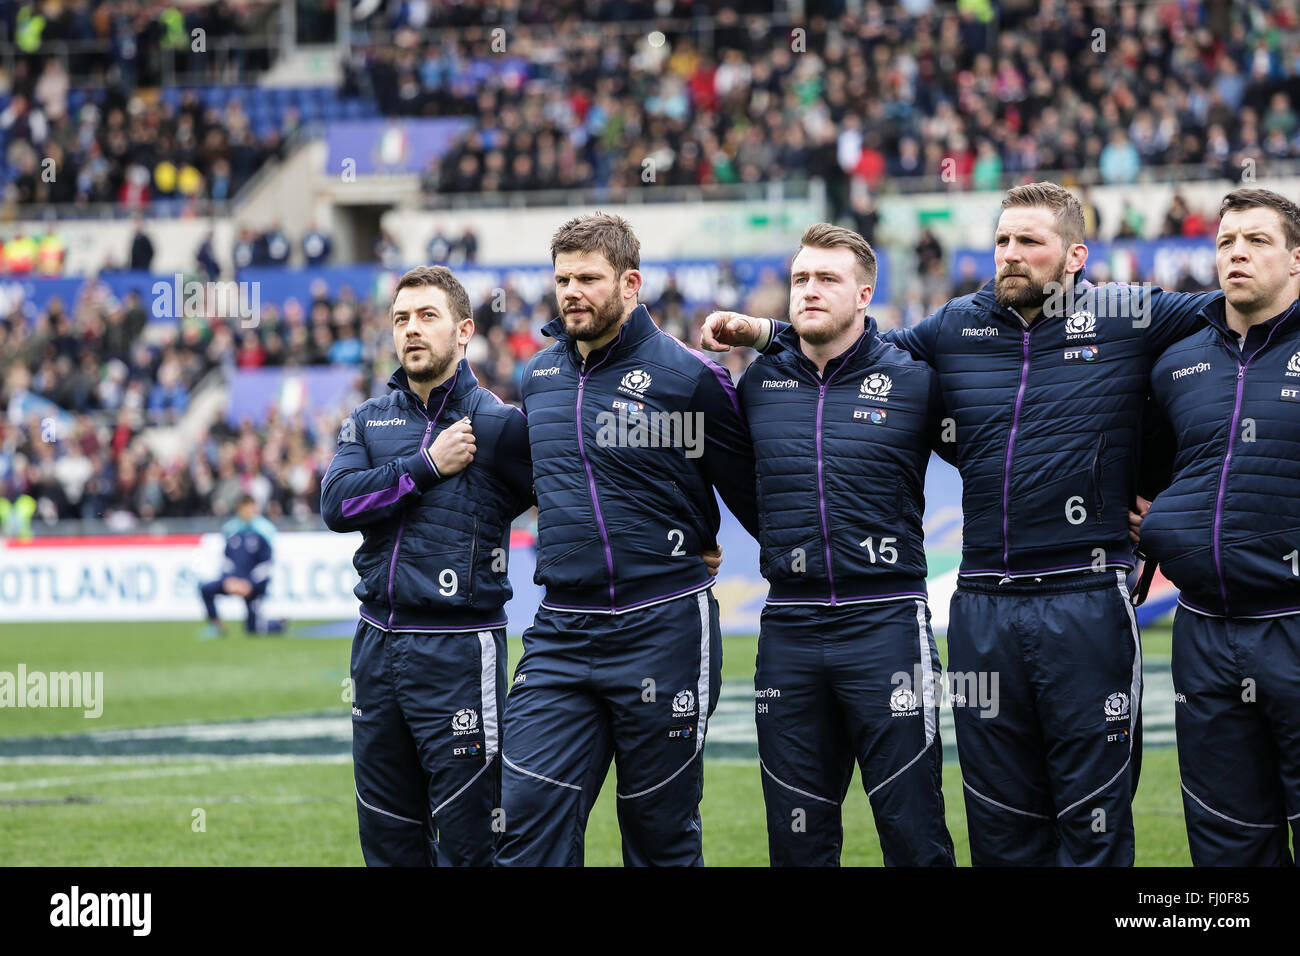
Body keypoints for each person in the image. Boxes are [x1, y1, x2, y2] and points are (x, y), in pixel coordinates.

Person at [702, 182, 1222, 866]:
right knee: (1000, 827)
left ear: (1074, 256)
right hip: (982, 606)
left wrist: (1171, 494)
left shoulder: (1129, 315)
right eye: (1002, 240)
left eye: (1029, 242)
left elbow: (1235, 343)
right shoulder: (955, 328)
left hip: (1087, 597)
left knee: (1093, 827)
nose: (1010, 254)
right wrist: (768, 334)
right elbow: (862, 350)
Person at [496, 213, 760, 867]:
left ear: (630, 283)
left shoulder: (690, 377)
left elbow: (755, 499)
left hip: (664, 628)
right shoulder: (540, 378)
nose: (571, 292)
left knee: (659, 837)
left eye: (588, 277)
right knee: (520, 824)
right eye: (562, 279)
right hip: (561, 632)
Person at [738, 223, 954, 866]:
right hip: (789, 628)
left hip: (887, 621)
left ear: (865, 294)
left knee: (913, 832)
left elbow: (997, 459)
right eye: (800, 278)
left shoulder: (915, 381)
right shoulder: (757, 387)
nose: (808, 290)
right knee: (797, 841)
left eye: (826, 279)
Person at [320, 265, 533, 867]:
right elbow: (336, 505)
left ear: (464, 331)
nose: (411, 330)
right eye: (401, 319)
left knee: (472, 841)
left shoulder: (499, 426)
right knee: (387, 839)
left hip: (459, 648)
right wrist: (425, 467)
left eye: (427, 316)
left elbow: (565, 496)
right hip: (377, 645)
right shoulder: (368, 420)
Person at [1135, 188, 1300, 865]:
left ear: (1296, 258)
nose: (1236, 252)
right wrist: (1161, 520)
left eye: (1257, 240)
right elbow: (1150, 473)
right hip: (1204, 632)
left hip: (1292, 621)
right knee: (1227, 845)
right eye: (1226, 241)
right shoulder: (1178, 363)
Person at [198, 494, 285, 638]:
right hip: (234, 580)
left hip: (254, 584)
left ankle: (278, 625)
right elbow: (227, 560)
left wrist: (250, 583)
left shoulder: (265, 529)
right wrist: (228, 579)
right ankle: (217, 626)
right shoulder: (231, 529)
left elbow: (266, 563)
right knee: (206, 589)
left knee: (253, 629)